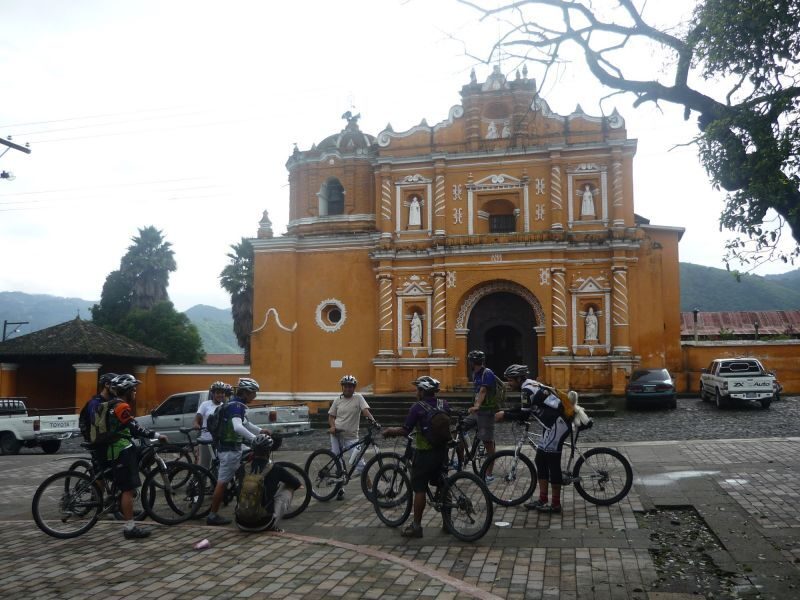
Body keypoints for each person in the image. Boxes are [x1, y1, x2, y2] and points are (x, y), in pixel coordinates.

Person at [498, 364, 573, 513]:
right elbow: (524, 407)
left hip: (558, 425)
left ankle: (556, 504)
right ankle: (543, 499)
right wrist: (505, 411)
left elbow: (524, 414)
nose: (509, 384)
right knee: (540, 459)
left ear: (519, 379)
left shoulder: (527, 390)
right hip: (551, 426)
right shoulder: (530, 385)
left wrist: (504, 415)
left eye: (511, 380)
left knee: (552, 462)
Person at [382, 376, 450, 538]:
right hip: (442, 451)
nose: (415, 392)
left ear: (422, 391)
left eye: (417, 390)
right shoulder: (445, 404)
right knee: (443, 484)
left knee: (419, 488)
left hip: (425, 452)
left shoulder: (416, 408)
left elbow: (406, 430)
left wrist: (391, 431)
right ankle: (448, 523)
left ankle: (416, 527)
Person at [105, 374, 168, 539]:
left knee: (126, 486)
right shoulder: (121, 406)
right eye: (133, 389)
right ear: (126, 390)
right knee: (128, 489)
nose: (135, 393)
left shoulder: (111, 404)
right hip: (121, 450)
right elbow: (133, 427)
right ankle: (130, 528)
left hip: (114, 448)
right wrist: (155, 434)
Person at [206, 377, 271, 526]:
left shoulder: (235, 404)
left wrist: (261, 430)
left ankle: (242, 499)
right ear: (246, 392)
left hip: (233, 447)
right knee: (222, 483)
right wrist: (255, 439)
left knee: (244, 467)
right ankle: (212, 515)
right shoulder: (236, 406)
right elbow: (237, 427)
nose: (255, 396)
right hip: (229, 449)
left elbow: (245, 423)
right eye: (254, 393)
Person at [236, 434, 304, 533]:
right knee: (289, 486)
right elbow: (297, 484)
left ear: (253, 451)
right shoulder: (275, 469)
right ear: (269, 451)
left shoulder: (243, 468)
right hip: (264, 524)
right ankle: (274, 523)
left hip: (241, 523)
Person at [328, 375, 376, 500]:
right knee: (337, 460)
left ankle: (371, 490)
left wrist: (373, 421)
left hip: (352, 437)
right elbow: (331, 416)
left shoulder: (358, 398)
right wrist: (332, 426)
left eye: (350, 386)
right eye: (346, 386)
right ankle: (339, 489)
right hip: (337, 435)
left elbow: (365, 410)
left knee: (360, 463)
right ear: (342, 387)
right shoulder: (337, 400)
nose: (348, 388)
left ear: (354, 388)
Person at [464, 350, 497, 480]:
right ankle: (464, 456)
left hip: (486, 411)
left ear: (471, 362)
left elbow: (483, 391)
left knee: (487, 442)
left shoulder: (487, 373)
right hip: (477, 412)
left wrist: (477, 405)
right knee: (460, 427)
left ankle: (489, 473)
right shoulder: (475, 374)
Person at [193, 381, 226, 469]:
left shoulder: (224, 406)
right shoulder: (205, 404)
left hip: (219, 440)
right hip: (206, 440)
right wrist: (196, 424)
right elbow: (197, 418)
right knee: (204, 465)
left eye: (222, 393)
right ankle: (200, 482)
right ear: (213, 393)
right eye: (218, 393)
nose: (220, 395)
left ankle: (214, 482)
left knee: (218, 465)